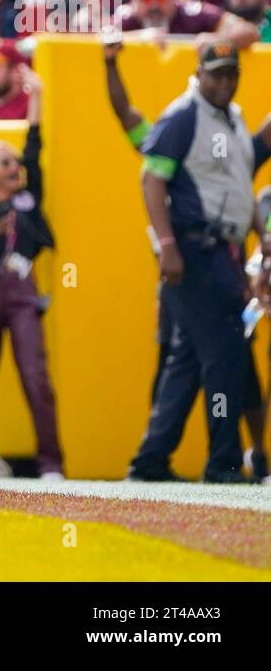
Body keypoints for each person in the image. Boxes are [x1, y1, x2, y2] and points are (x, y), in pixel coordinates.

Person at [129, 42, 271, 483]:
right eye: (216, 74)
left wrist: (262, 240)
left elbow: (238, 187)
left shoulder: (232, 117)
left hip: (221, 252)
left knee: (188, 360)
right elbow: (151, 179)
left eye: (231, 74)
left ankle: (151, 461)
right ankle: (224, 462)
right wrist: (167, 243)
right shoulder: (184, 115)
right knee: (225, 355)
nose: (224, 82)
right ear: (199, 72)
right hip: (194, 250)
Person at [0, 68, 65, 479]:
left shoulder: (27, 199)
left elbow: (34, 146)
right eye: (4, 163)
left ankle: (51, 463)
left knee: (35, 376)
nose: (14, 168)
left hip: (22, 292)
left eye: (13, 162)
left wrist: (37, 95)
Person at [116, 0, 258, 47]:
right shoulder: (126, 16)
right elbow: (98, 38)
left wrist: (217, 41)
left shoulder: (193, 13)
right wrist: (138, 38)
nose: (154, 5)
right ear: (134, 2)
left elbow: (249, 31)